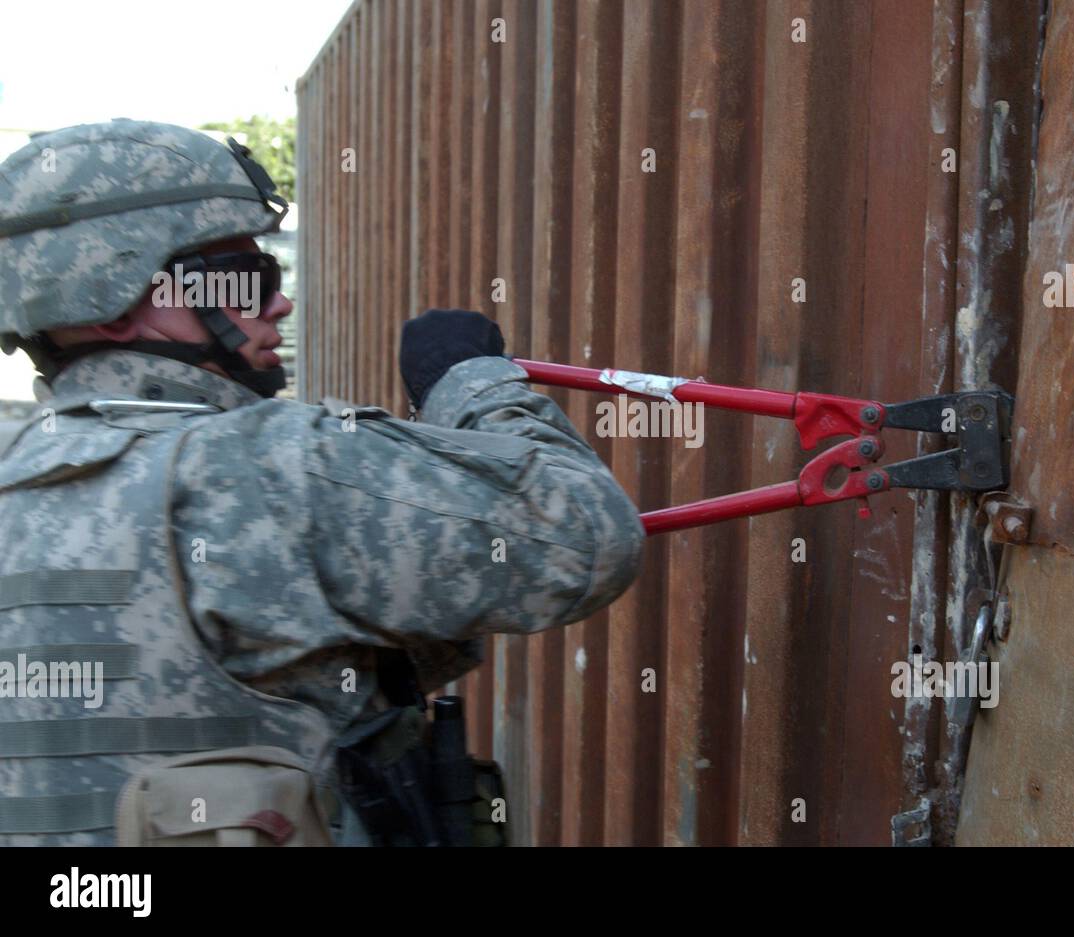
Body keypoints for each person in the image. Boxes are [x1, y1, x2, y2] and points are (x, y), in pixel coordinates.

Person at [0, 119, 644, 845]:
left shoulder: (15, 483)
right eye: (249, 280)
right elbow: (584, 534)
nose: (279, 304)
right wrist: (470, 383)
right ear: (116, 303)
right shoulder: (259, 467)